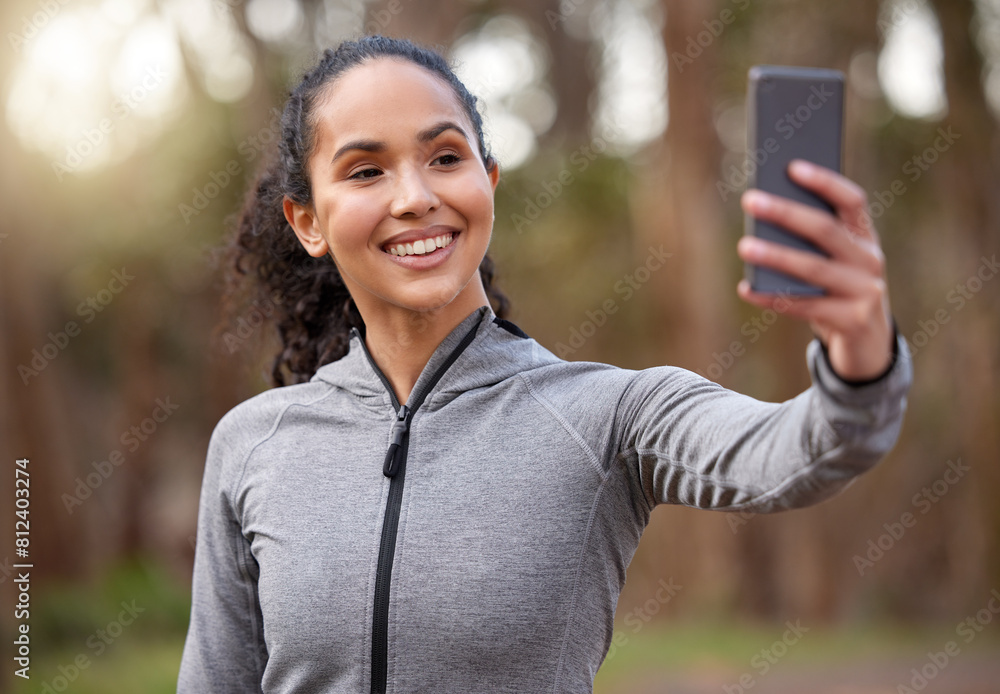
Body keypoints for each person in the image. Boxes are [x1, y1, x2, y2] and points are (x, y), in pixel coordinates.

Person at [177, 35, 911, 694]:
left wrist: (859, 356)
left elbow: (804, 451)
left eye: (444, 157)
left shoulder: (607, 415)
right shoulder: (253, 444)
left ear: (487, 181)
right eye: (366, 171)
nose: (416, 197)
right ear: (308, 222)